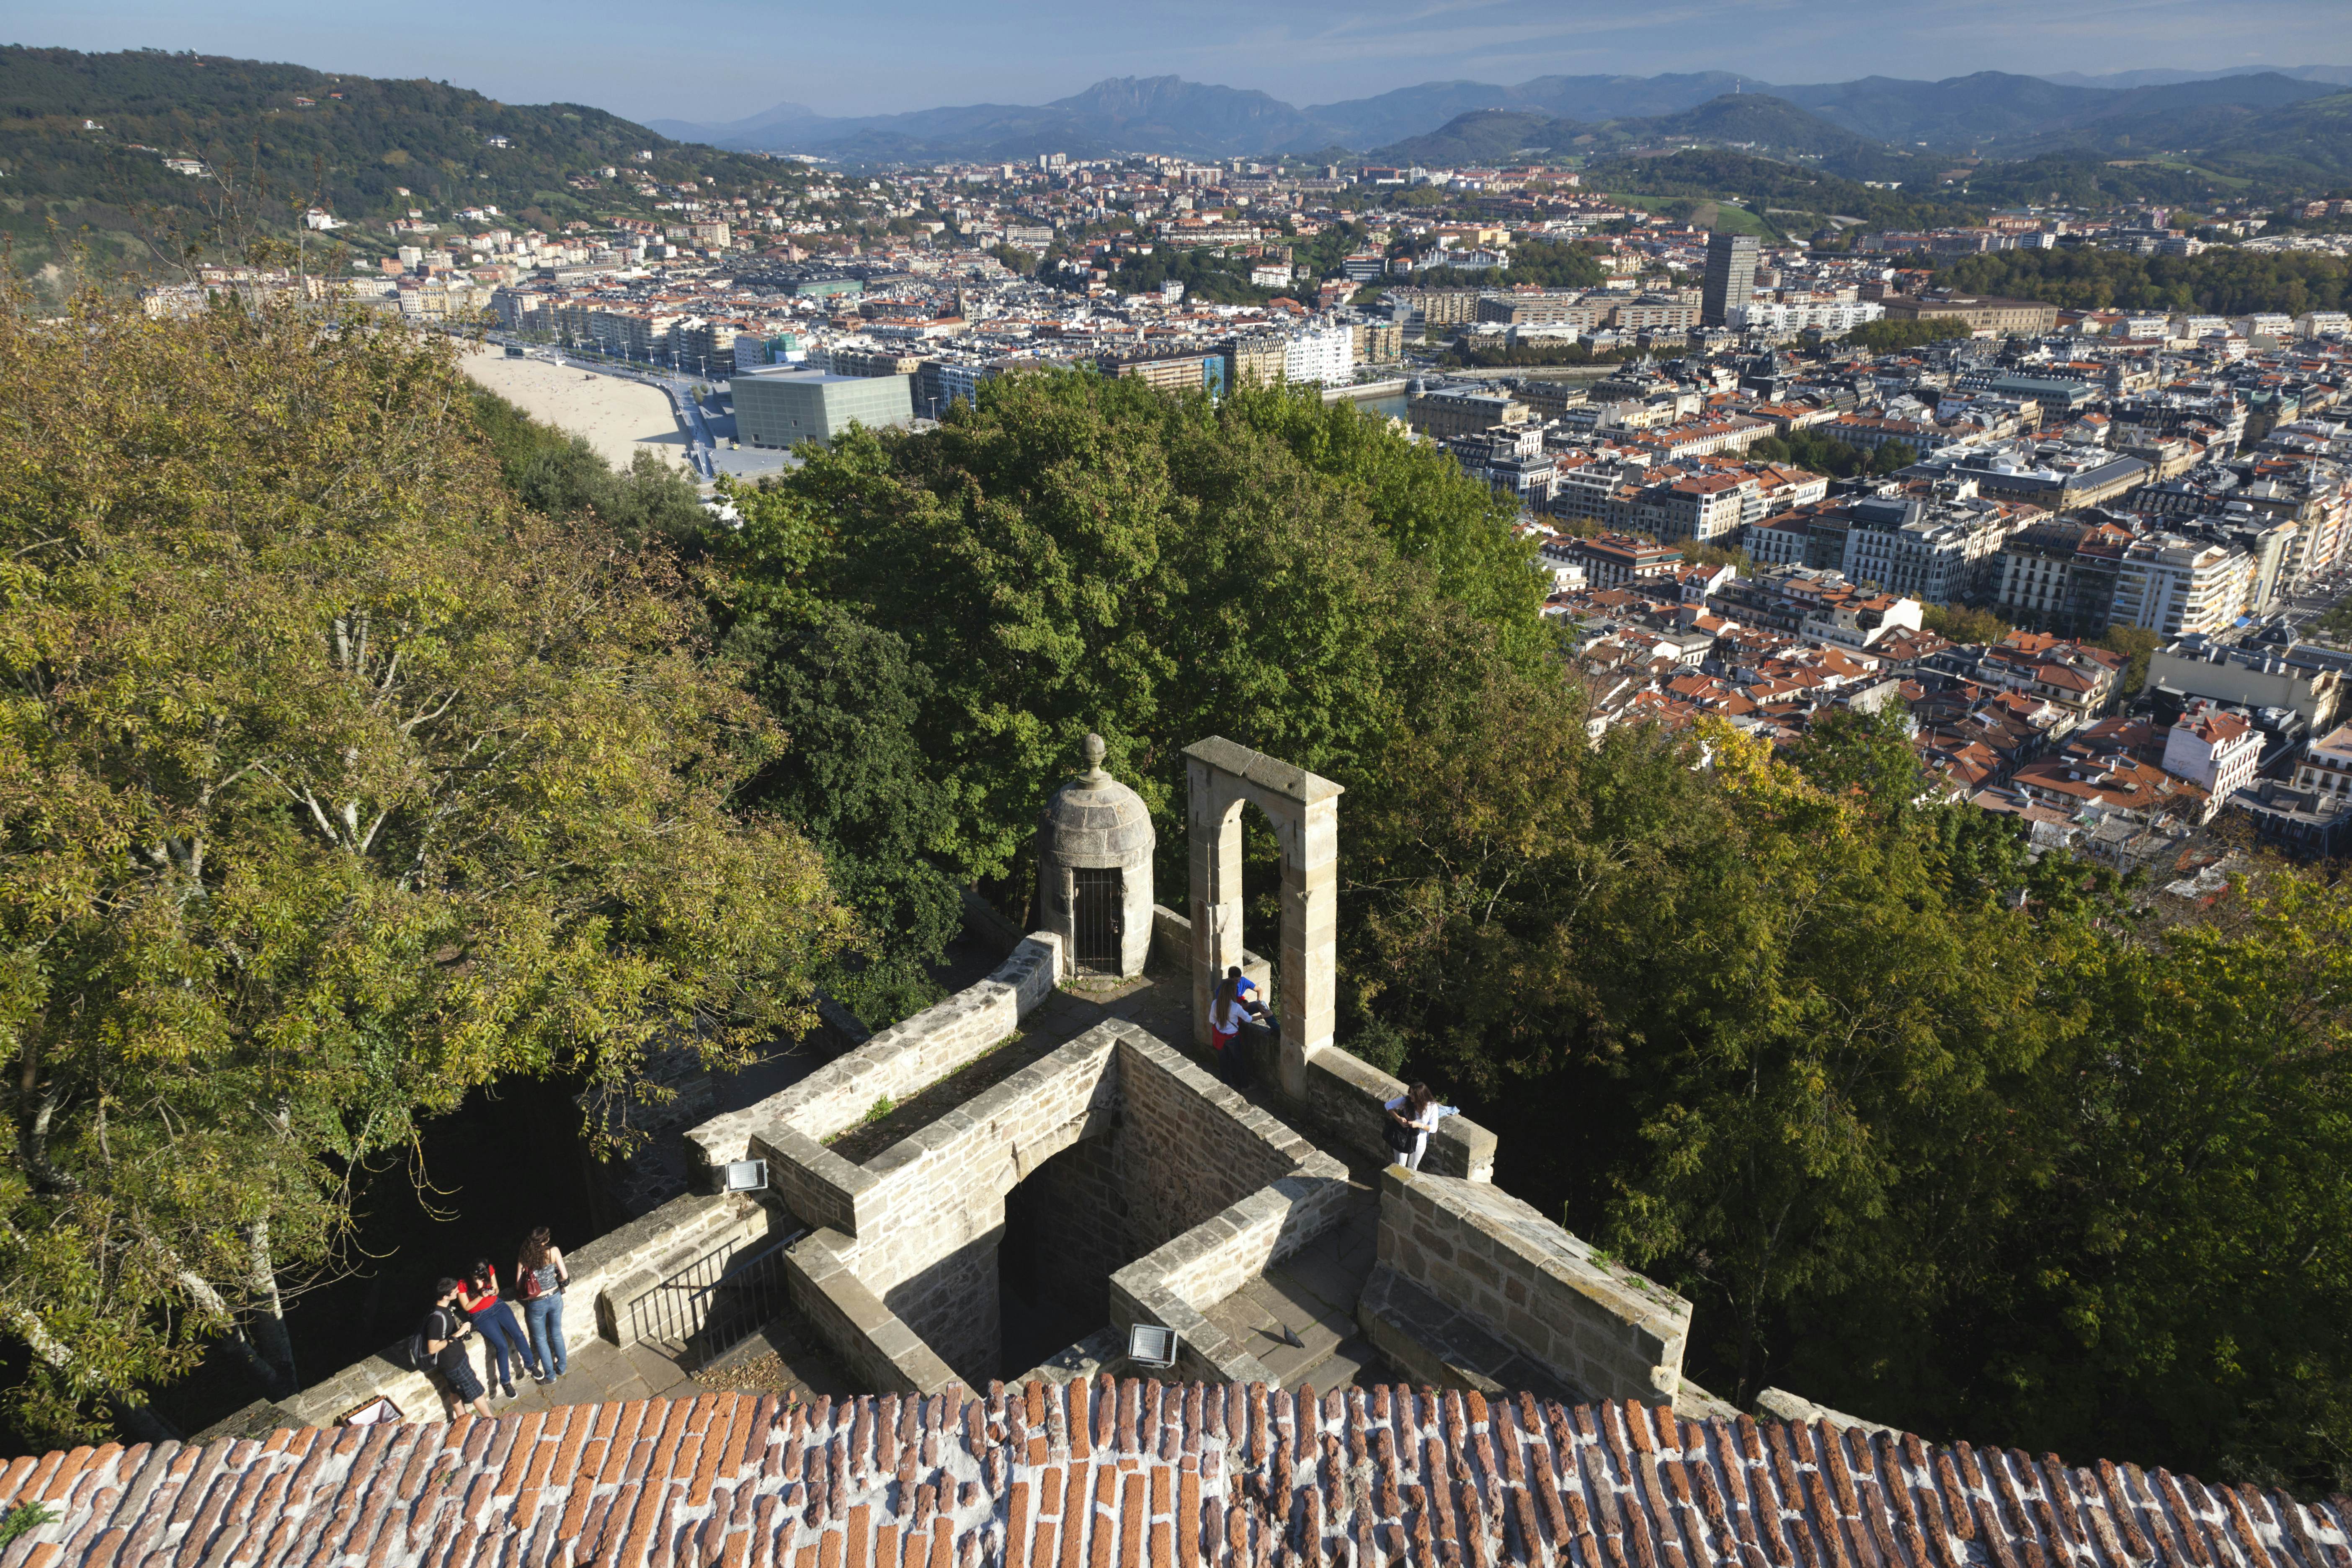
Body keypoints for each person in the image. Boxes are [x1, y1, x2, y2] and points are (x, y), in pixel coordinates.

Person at [455, 1256, 543, 1398]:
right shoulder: (463, 1284)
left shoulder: (489, 1270)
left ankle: (530, 1364)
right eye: (479, 1276)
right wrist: (481, 1296)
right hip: (480, 1314)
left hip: (497, 1305)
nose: (483, 1277)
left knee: (518, 1334)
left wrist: (493, 1292)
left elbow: (496, 1288)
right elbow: (467, 1307)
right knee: (501, 1345)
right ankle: (506, 1382)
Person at [423, 1278, 493, 1420]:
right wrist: (456, 1336)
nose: (458, 1292)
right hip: (454, 1363)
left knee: (454, 1391)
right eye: (455, 1291)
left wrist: (461, 1331)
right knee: (476, 1391)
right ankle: (490, 1419)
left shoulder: (443, 1308)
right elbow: (432, 1348)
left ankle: (462, 1419)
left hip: (453, 1361)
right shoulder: (437, 1318)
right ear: (445, 1296)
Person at [515, 1225, 571, 1383]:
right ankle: (562, 1367)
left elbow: (519, 1286)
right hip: (555, 1297)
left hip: (536, 1303)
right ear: (546, 1240)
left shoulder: (524, 1257)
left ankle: (550, 1376)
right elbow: (564, 1276)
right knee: (556, 1334)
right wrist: (556, 1279)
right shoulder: (553, 1251)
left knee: (540, 1339)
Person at [1209, 965, 1272, 1088]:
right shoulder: (1236, 1007)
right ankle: (1244, 1086)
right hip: (1232, 1038)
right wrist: (1263, 1016)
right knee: (1239, 1061)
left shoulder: (1215, 1003)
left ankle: (1227, 1083)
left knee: (1223, 1061)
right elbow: (1248, 1019)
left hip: (1219, 1037)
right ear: (1232, 992)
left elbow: (1212, 1020)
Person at [1383, 1082, 1460, 1173]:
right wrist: (1399, 1119)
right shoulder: (1406, 1100)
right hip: (1403, 1137)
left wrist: (1419, 1125)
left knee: (1413, 1168)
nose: (1410, 1095)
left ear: (1420, 1096)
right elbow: (1388, 1105)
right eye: (1410, 1093)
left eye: (1413, 1094)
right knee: (1400, 1166)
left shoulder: (1432, 1107)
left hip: (1420, 1141)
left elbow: (1434, 1128)